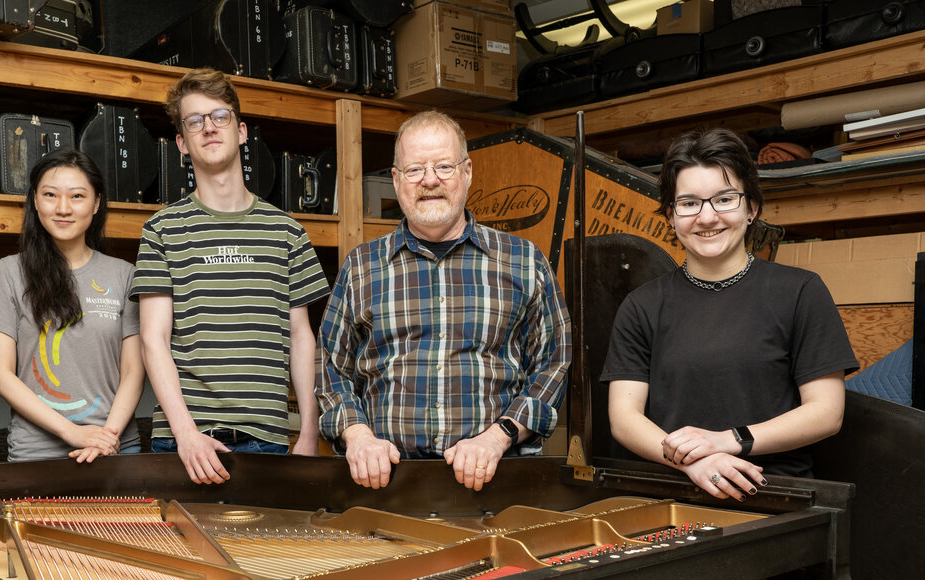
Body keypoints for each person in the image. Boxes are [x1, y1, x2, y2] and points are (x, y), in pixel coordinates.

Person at [317, 110, 572, 492]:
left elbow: (555, 361)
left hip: (497, 481)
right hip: (385, 485)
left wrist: (499, 436)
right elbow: (331, 367)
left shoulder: (523, 260)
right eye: (415, 170)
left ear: (467, 172)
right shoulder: (361, 267)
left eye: (443, 166)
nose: (430, 180)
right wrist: (358, 436)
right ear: (396, 180)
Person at [600, 128, 858, 500]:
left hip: (774, 495)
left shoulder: (800, 291)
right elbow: (625, 420)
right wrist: (692, 462)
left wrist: (729, 440)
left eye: (724, 199)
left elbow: (826, 412)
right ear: (671, 216)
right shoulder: (642, 306)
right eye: (689, 203)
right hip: (672, 495)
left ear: (751, 208)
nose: (707, 217)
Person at [132, 67, 329, 484]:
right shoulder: (161, 230)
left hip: (267, 440)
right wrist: (186, 434)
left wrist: (309, 432)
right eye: (194, 121)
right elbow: (153, 339)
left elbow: (301, 338)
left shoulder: (288, 232)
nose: (209, 127)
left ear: (241, 132)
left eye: (219, 116)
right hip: (184, 443)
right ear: (182, 143)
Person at [0, 148, 144, 462]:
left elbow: (134, 370)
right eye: (50, 195)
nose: (63, 208)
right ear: (35, 200)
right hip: (36, 454)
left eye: (77, 196)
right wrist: (72, 432)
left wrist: (105, 437)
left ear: (96, 203)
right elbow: (0, 374)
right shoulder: (8, 272)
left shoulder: (124, 275)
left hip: (116, 447)